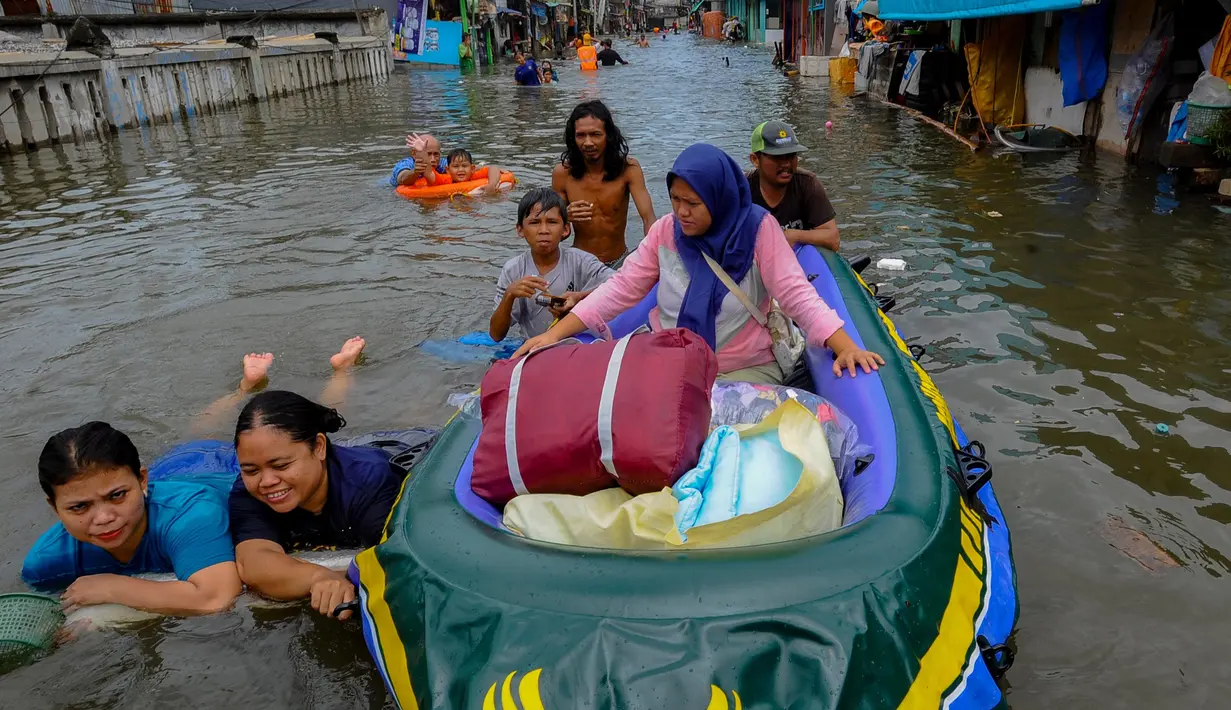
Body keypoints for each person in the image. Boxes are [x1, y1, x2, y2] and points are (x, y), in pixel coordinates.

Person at [517, 144, 884, 384]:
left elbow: (795, 295)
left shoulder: (758, 230)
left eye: (693, 202)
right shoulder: (666, 232)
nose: (681, 212)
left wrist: (845, 345)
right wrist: (553, 335)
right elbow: (622, 288)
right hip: (669, 359)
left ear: (719, 197)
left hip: (742, 368)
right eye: (675, 199)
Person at [21, 422, 241, 616]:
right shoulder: (46, 563)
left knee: (203, 432)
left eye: (117, 496)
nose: (104, 518)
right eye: (79, 507)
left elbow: (217, 599)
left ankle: (242, 389)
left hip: (217, 463)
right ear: (54, 506)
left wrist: (112, 587)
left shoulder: (192, 515)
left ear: (143, 481)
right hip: (163, 470)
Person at [228, 389, 407, 620]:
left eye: (281, 466)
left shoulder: (371, 484)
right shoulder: (247, 492)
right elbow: (253, 563)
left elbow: (397, 564)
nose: (267, 482)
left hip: (397, 448)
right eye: (251, 470)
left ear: (319, 447)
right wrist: (318, 577)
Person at [491, 188, 613, 341]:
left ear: (566, 229)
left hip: (578, 343)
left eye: (552, 222)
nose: (544, 230)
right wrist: (509, 296)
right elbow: (496, 335)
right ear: (520, 230)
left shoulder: (581, 262)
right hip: (534, 348)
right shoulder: (513, 270)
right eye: (534, 222)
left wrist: (580, 298)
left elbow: (622, 284)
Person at [551, 100, 656, 268]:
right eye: (581, 135)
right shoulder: (562, 174)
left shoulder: (629, 169)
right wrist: (562, 216)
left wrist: (653, 258)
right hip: (579, 264)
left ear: (608, 135)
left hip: (619, 262)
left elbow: (648, 218)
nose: (588, 143)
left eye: (595, 134)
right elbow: (552, 234)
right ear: (573, 137)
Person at [748, 120, 840, 251]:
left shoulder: (808, 184)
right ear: (755, 160)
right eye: (777, 157)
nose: (786, 164)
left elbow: (833, 239)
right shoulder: (742, 189)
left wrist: (794, 236)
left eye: (791, 156)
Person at [407, 148, 506, 195]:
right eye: (455, 166)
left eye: (464, 166)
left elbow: (493, 168)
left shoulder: (473, 176)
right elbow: (428, 173)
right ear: (448, 170)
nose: (461, 170)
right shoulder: (445, 180)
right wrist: (422, 154)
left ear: (472, 169)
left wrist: (492, 185)